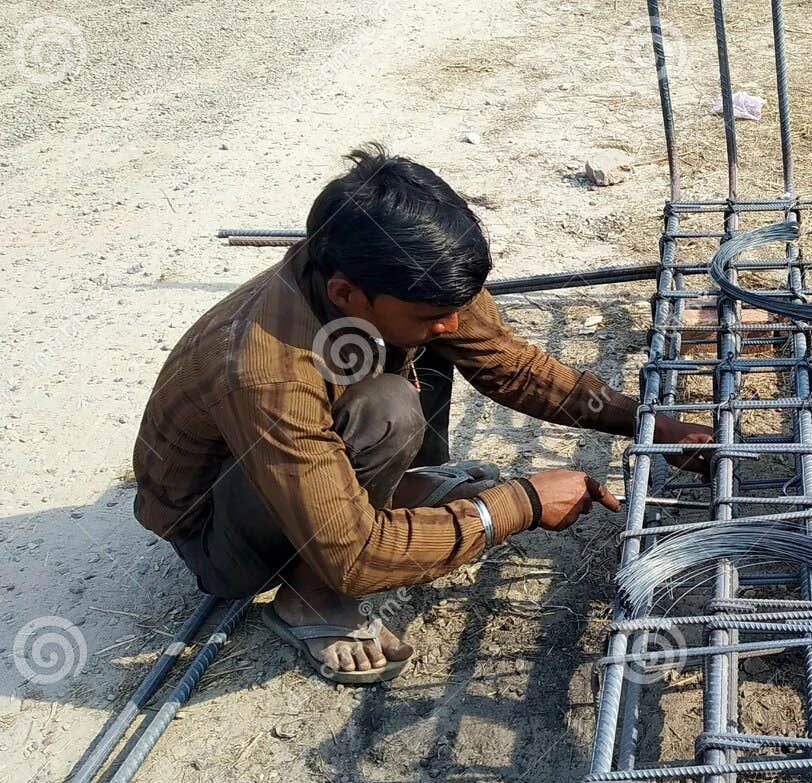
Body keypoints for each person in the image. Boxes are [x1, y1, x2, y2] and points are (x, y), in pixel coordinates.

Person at [134, 146, 711, 684]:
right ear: (345, 293)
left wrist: (644, 423)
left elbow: (508, 365)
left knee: (419, 349)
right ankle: (310, 599)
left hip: (290, 460)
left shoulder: (396, 274)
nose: (454, 322)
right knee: (388, 410)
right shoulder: (267, 370)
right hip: (217, 533)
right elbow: (355, 556)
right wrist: (519, 504)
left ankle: (397, 494)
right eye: (434, 310)